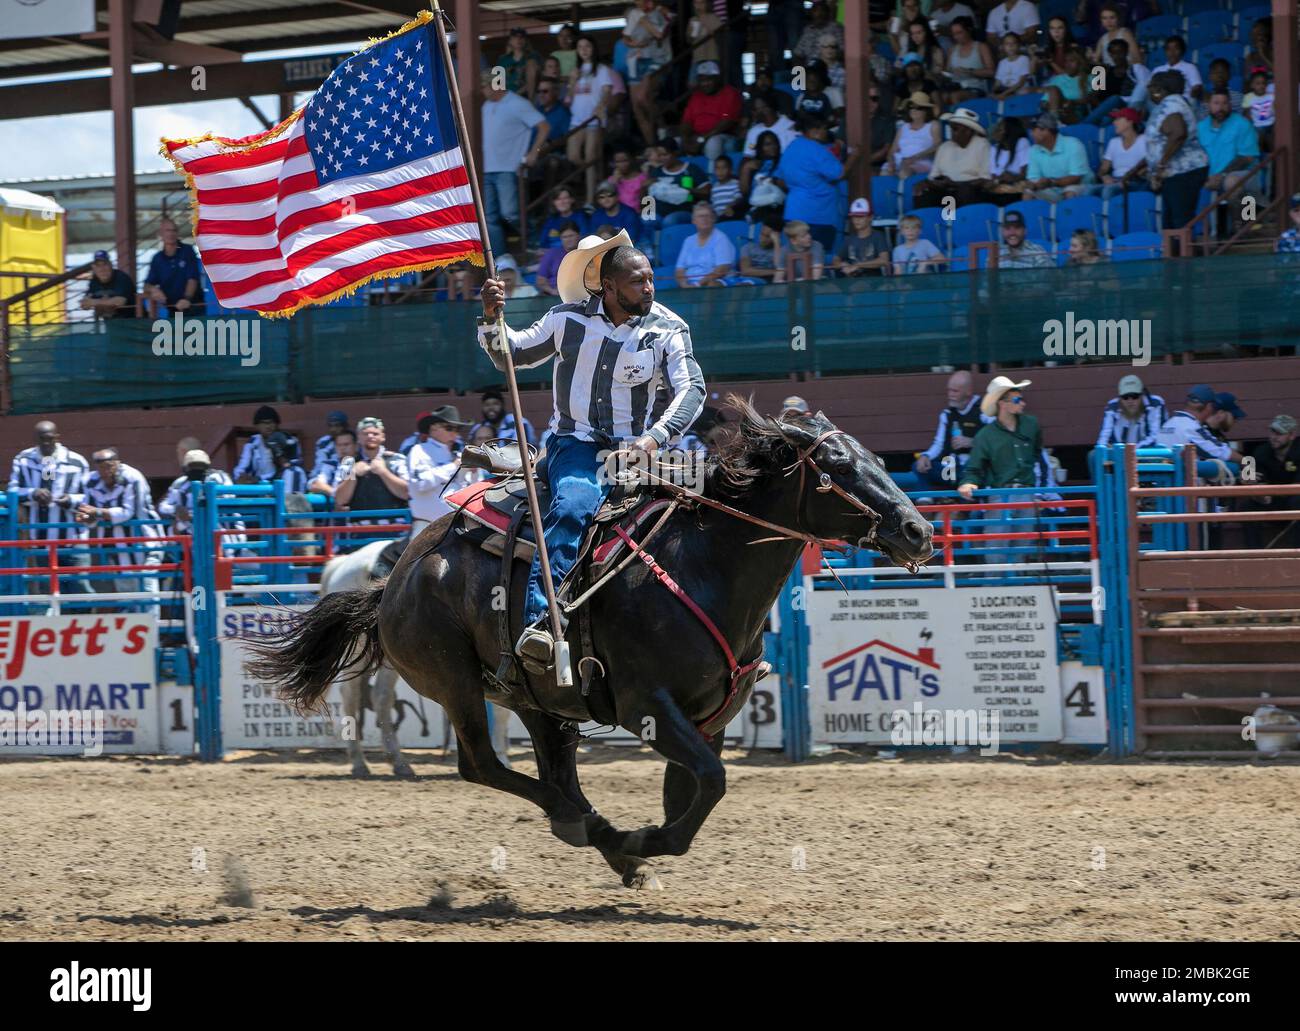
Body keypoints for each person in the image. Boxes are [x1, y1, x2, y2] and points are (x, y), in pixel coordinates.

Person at [477, 228, 705, 669]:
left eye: (651, 279)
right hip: (575, 445)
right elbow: (514, 354)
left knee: (705, 500)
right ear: (610, 286)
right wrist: (491, 319)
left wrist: (653, 438)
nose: (649, 288)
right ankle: (541, 622)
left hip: (639, 450)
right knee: (574, 505)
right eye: (639, 282)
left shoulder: (668, 329)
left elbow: (692, 388)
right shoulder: (565, 320)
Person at [957, 377, 1046, 564]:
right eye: (1016, 399)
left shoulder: (1032, 424)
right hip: (1000, 493)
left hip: (1026, 492)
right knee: (996, 548)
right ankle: (996, 585)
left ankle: (1018, 587)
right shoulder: (986, 436)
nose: (1022, 403)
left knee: (1023, 547)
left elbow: (1037, 454)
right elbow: (975, 467)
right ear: (1002, 404)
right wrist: (968, 482)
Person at [8, 420, 90, 594]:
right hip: (41, 539)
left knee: (80, 587)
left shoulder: (77, 462)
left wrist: (71, 500)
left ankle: (84, 617)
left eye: (49, 439)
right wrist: (33, 493)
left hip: (73, 537)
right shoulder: (23, 460)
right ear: (34, 439)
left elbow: (89, 497)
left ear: (57, 438)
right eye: (41, 439)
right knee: (50, 590)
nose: (45, 444)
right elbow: (12, 491)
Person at [78, 447, 163, 598]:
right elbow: (88, 511)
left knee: (147, 591)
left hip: (145, 542)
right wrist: (85, 518)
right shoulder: (90, 481)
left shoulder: (133, 478)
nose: (105, 472)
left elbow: (128, 512)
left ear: (118, 463)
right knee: (127, 596)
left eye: (109, 466)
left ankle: (152, 622)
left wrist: (96, 512)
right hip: (117, 549)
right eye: (100, 468)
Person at [482, 74, 549, 256]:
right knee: (489, 218)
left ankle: (534, 241)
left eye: (484, 86)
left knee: (510, 213)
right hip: (486, 169)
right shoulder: (487, 106)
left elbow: (544, 127)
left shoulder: (517, 103)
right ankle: (500, 258)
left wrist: (533, 153)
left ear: (495, 85)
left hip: (509, 168)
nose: (483, 90)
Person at [776, 114, 857, 253]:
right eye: (825, 129)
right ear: (814, 131)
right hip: (818, 216)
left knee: (795, 263)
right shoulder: (817, 150)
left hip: (793, 213)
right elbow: (840, 174)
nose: (826, 132)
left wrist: (801, 184)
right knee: (817, 264)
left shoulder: (791, 147)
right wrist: (855, 156)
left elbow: (780, 180)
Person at [1145, 71, 1210, 230]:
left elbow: (1178, 133)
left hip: (1183, 172)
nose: (1148, 89)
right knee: (1172, 222)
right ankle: (1177, 253)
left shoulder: (1170, 104)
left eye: (1151, 86)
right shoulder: (1177, 102)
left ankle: (1184, 255)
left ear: (1159, 89)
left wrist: (1161, 165)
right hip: (1179, 172)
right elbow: (1162, 141)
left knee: (1179, 222)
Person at [914, 370, 990, 488]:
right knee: (919, 466)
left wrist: (972, 442)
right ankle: (925, 500)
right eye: (949, 390)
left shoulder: (983, 411)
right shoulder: (947, 414)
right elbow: (938, 444)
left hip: (975, 470)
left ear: (968, 391)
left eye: (955, 391)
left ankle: (967, 496)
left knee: (974, 473)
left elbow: (996, 439)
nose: (950, 394)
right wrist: (926, 456)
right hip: (952, 469)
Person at [407, 406, 474, 537]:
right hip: (427, 529)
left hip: (459, 526)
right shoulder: (419, 451)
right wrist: (453, 466)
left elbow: (469, 488)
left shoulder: (458, 455)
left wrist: (474, 471)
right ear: (433, 428)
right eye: (449, 428)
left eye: (457, 429)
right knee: (416, 557)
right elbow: (420, 483)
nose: (454, 434)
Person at [565, 36, 615, 204]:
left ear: (593, 48)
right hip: (577, 118)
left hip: (593, 119)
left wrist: (600, 107)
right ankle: (598, 181)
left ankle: (589, 200)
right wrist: (572, 80)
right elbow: (568, 99)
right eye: (580, 47)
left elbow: (607, 91)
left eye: (587, 46)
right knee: (573, 156)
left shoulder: (601, 69)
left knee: (590, 159)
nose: (584, 50)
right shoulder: (575, 71)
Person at [1198, 89, 1260, 220]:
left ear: (1230, 105)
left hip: (1245, 174)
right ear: (1208, 105)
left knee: (1231, 182)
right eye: (1216, 103)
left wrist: (1222, 175)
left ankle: (1243, 224)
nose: (1221, 107)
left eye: (1225, 103)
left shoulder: (1242, 124)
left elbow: (1247, 158)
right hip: (1211, 177)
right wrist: (1205, 178)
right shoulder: (1200, 128)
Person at [333, 417, 410, 522]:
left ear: (383, 437)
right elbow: (340, 500)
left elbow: (407, 493)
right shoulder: (348, 463)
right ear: (358, 438)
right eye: (365, 434)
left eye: (375, 434)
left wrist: (383, 472)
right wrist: (353, 475)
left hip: (395, 528)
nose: (370, 436)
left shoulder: (397, 460)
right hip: (359, 530)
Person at [913, 107, 991, 208]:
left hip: (968, 190)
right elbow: (934, 176)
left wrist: (956, 184)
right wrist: (932, 183)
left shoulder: (982, 145)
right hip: (945, 189)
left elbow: (985, 179)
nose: (951, 131)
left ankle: (956, 221)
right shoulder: (944, 147)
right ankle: (930, 222)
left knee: (965, 192)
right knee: (922, 189)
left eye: (955, 129)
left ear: (968, 131)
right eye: (951, 128)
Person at [1244, 415, 1300, 549]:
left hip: (1295, 500)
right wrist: (1257, 491)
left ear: (1292, 435)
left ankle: (1296, 552)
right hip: (1273, 501)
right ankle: (1254, 554)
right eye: (1272, 432)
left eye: (1279, 433)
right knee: (1247, 506)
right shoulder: (1260, 452)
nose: (1274, 437)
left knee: (1297, 501)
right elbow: (1249, 474)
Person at [623, 0, 672, 147]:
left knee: (643, 97)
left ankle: (663, 127)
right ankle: (652, 147)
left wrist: (644, 22)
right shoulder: (632, 13)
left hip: (656, 59)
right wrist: (635, 44)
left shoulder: (660, 11)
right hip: (635, 60)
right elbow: (626, 38)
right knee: (637, 108)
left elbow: (660, 34)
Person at [1156, 384, 1244, 466]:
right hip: (1181, 480)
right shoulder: (1191, 427)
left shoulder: (1168, 423)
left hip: (1164, 477)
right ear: (1209, 406)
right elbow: (1221, 452)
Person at [159, 449, 236, 536]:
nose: (197, 469)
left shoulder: (219, 478)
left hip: (219, 524)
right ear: (185, 468)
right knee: (175, 528)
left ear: (207, 466)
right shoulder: (179, 483)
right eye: (192, 466)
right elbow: (163, 506)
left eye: (201, 466)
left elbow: (228, 501)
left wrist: (193, 515)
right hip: (189, 527)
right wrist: (176, 509)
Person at [1023, 111, 1095, 202]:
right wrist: (1033, 185)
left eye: (1034, 130)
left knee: (1070, 192)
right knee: (1028, 193)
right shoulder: (1034, 150)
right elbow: (1033, 178)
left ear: (1047, 130)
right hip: (1053, 188)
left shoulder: (1073, 144)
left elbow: (1076, 178)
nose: (1031, 134)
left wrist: (1052, 182)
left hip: (1080, 185)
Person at [680, 61, 744, 161]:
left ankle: (712, 174)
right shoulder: (696, 96)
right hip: (698, 135)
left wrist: (702, 139)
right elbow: (687, 121)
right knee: (675, 142)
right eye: (701, 80)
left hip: (722, 135)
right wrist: (685, 138)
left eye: (709, 80)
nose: (704, 84)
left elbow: (726, 121)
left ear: (718, 78)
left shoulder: (729, 93)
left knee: (713, 143)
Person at [142, 217, 202, 319]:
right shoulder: (157, 259)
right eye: (168, 230)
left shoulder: (187, 251)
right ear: (160, 234)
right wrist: (153, 290)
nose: (171, 233)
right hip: (172, 311)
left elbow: (192, 279)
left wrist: (186, 298)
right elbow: (147, 285)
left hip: (193, 308)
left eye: (174, 230)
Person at [1082, 37, 1150, 125]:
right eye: (1113, 53)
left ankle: (1080, 127)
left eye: (1120, 52)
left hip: (1126, 108)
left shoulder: (1134, 70)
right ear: (1110, 54)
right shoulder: (1102, 71)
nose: (1117, 56)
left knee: (1115, 99)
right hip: (1105, 110)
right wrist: (1103, 108)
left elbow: (1143, 91)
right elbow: (1093, 95)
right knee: (1105, 119)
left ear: (1126, 52)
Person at [233, 405, 301, 483]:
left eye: (271, 422)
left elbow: (290, 467)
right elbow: (241, 467)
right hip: (259, 487)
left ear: (277, 424)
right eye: (264, 423)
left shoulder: (289, 440)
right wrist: (240, 477)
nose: (268, 426)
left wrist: (259, 479)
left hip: (283, 485)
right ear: (256, 426)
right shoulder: (252, 443)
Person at [675, 203, 736, 288]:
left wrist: (698, 284)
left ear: (713, 219)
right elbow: (680, 268)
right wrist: (683, 284)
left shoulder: (721, 238)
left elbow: (722, 269)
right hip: (690, 283)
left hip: (712, 282)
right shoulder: (688, 241)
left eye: (708, 216)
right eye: (701, 216)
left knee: (712, 286)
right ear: (694, 221)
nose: (705, 219)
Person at [1096, 373, 1166, 448]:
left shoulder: (1155, 404)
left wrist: (1130, 450)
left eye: (1134, 396)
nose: (1130, 401)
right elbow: (1104, 436)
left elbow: (1156, 437)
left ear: (1142, 395)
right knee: (1093, 455)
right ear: (1120, 398)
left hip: (1149, 452)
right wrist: (1102, 448)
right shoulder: (1112, 407)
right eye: (1125, 397)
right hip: (1120, 452)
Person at [883, 91, 941, 177]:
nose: (914, 110)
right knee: (884, 173)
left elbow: (938, 146)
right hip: (900, 161)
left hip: (921, 161)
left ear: (926, 110)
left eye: (919, 107)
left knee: (904, 172)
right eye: (911, 106)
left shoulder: (933, 125)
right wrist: (891, 162)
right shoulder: (903, 127)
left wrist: (915, 158)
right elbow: (892, 151)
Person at [647, 139, 700, 228]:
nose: (661, 158)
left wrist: (683, 189)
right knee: (646, 220)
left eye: (665, 155)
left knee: (670, 221)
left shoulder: (691, 169)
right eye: (659, 155)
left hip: (684, 211)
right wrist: (644, 187)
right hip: (658, 212)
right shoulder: (656, 172)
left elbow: (706, 192)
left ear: (675, 153)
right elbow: (647, 198)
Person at [1098, 107, 1146, 200]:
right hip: (1115, 180)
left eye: (1118, 119)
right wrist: (1104, 176)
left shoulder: (1144, 140)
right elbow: (1103, 168)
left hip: (1136, 181)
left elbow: (1148, 165)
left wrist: (1129, 178)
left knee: (1108, 191)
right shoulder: (1114, 142)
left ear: (1130, 122)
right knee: (1089, 191)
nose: (1114, 123)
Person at [833, 197, 890, 277]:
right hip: (852, 284)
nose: (857, 220)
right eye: (854, 216)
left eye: (861, 216)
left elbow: (884, 260)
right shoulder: (849, 239)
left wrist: (858, 265)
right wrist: (842, 264)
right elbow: (835, 260)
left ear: (870, 217)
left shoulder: (878, 236)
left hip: (874, 284)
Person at [944, 16, 994, 103]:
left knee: (955, 96)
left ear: (969, 30)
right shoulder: (952, 50)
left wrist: (970, 71)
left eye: (959, 33)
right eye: (954, 34)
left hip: (975, 87)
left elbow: (991, 72)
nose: (956, 37)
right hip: (955, 86)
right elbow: (948, 71)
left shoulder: (981, 47)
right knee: (943, 96)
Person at [469, 388, 538, 448]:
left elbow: (531, 446)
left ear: (502, 406)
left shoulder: (517, 423)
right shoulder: (479, 428)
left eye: (495, 404)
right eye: (487, 405)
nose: (491, 408)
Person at [80, 250, 136, 319]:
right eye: (98, 266)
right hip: (110, 323)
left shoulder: (121, 278)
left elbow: (120, 301)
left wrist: (94, 302)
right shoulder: (94, 281)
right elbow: (84, 304)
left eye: (105, 264)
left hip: (132, 322)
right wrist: (106, 302)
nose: (102, 269)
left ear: (111, 265)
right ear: (94, 268)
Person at [1151, 36, 1202, 102]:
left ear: (1182, 51)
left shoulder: (1190, 67)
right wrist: (1158, 98)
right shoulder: (1157, 70)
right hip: (1161, 103)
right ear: (1165, 51)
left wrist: (1188, 99)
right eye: (1169, 49)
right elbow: (1152, 91)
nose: (1172, 52)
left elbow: (1197, 87)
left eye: (1176, 48)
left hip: (1183, 103)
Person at [739, 212, 786, 282]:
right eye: (761, 234)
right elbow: (745, 271)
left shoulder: (783, 250)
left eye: (767, 236)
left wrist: (776, 243)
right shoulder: (747, 248)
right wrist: (773, 272)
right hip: (749, 281)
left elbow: (779, 267)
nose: (762, 239)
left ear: (777, 236)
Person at [1089, 4, 1140, 69]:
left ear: (1118, 18)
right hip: (1110, 75)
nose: (1108, 22)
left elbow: (1137, 58)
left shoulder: (1125, 33)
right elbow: (1095, 61)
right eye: (1104, 18)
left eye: (1112, 17)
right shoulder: (1102, 39)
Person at [793, 1, 843, 65]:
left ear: (828, 13)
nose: (819, 13)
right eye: (816, 11)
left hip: (830, 68)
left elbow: (842, 51)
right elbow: (798, 54)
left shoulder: (835, 28)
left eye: (822, 10)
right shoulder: (808, 30)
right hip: (811, 69)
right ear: (811, 13)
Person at [310, 428, 357, 497]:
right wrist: (336, 494)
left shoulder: (361, 464)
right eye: (339, 445)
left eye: (346, 444)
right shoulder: (331, 466)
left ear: (356, 446)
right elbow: (316, 485)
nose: (342, 448)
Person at [538, 221, 582, 295]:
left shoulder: (586, 252)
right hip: (554, 295)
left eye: (571, 236)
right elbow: (541, 281)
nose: (568, 239)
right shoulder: (551, 254)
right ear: (560, 239)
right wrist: (553, 291)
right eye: (564, 237)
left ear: (579, 236)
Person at [309, 410, 350, 487]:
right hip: (323, 479)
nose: (333, 429)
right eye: (331, 426)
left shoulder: (352, 441)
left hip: (345, 479)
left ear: (345, 426)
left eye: (337, 426)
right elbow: (319, 465)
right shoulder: (323, 442)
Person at [702, 156, 744, 220]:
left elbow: (738, 198)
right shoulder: (714, 187)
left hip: (731, 214)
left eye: (724, 168)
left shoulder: (735, 183)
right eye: (717, 168)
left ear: (730, 170)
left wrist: (730, 206)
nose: (720, 171)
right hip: (718, 218)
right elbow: (713, 204)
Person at [1242, 69, 1275, 153]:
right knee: (1258, 140)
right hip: (1257, 125)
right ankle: (1260, 159)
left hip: (1271, 123)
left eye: (1263, 83)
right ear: (1252, 85)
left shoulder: (1271, 96)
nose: (1261, 86)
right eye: (1258, 83)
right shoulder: (1249, 97)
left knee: (1272, 142)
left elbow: (1276, 110)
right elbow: (1247, 113)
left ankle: (1272, 161)